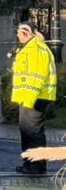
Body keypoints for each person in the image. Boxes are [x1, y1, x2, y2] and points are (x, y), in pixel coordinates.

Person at [11, 22, 57, 176]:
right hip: (32, 97)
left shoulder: (35, 49)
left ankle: (34, 166)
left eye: (19, 32)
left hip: (34, 98)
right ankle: (36, 164)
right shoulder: (31, 48)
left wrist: (29, 100)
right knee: (32, 132)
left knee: (31, 132)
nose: (17, 35)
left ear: (27, 33)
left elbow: (38, 76)